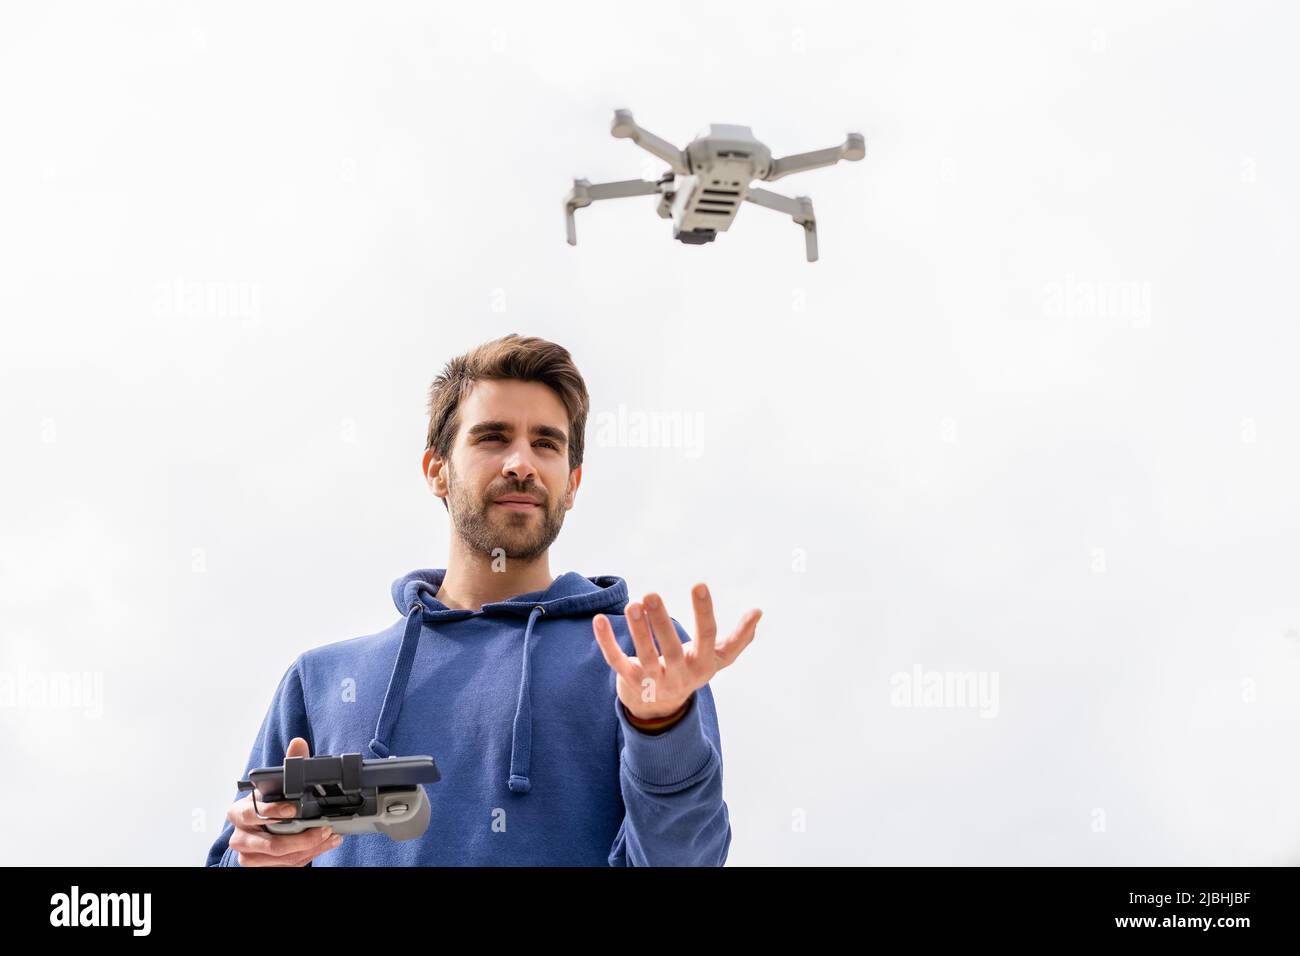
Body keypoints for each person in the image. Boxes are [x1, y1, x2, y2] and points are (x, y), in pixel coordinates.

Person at [204, 333, 761, 866]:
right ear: (436, 471)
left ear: (572, 483)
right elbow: (242, 856)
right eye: (493, 437)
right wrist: (255, 859)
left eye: (546, 443)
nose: (521, 462)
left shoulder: (635, 660)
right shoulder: (322, 680)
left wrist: (662, 731)